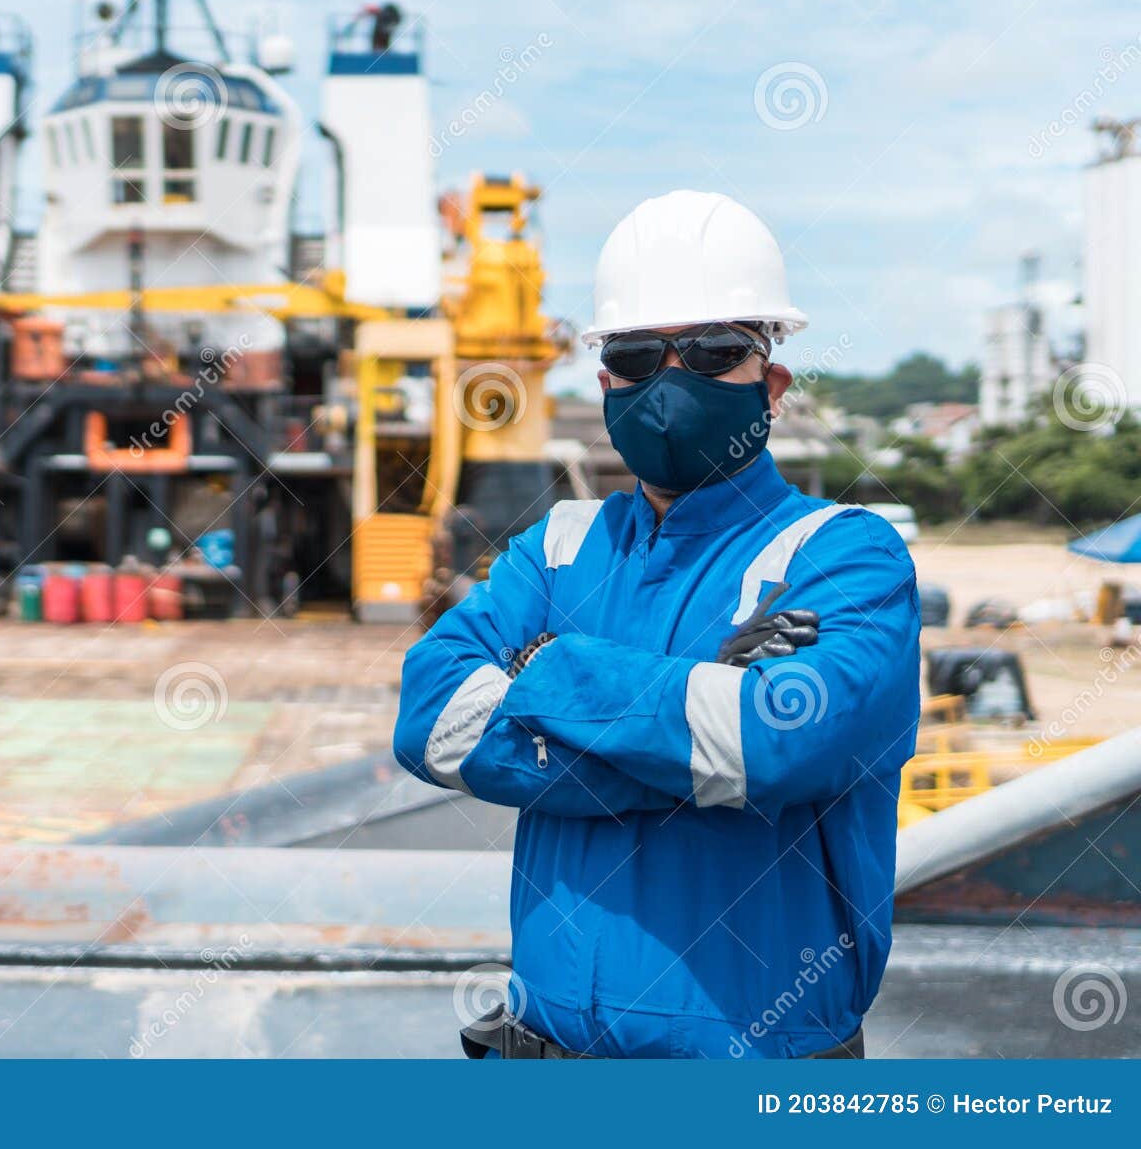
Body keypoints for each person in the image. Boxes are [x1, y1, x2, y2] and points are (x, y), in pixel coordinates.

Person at [393, 190, 920, 1059]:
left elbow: (770, 743)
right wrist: (690, 728)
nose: (671, 381)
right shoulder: (558, 545)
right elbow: (429, 720)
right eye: (638, 356)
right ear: (606, 383)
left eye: (715, 351)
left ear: (771, 383)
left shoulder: (842, 554)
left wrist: (546, 668)